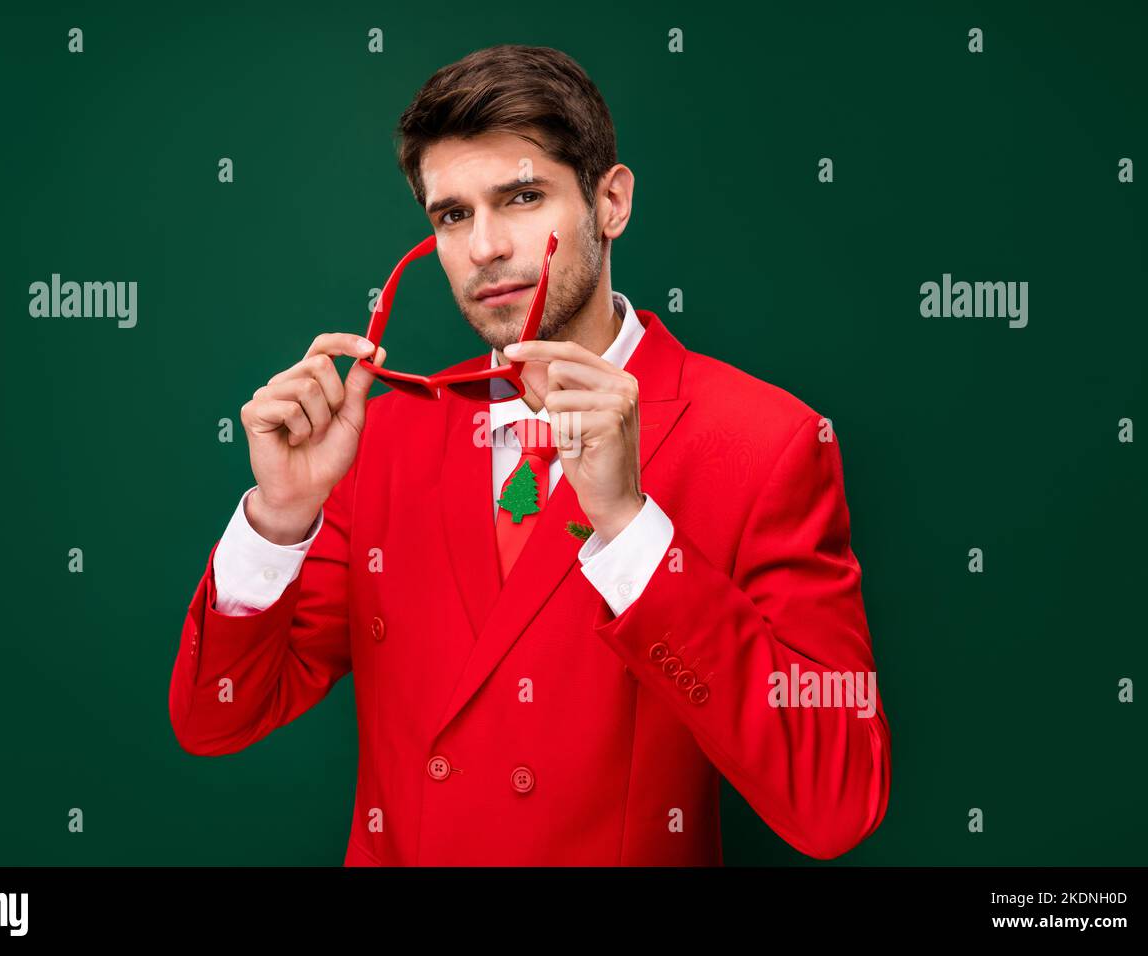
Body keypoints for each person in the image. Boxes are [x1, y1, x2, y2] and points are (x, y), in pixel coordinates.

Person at [168, 43, 890, 866]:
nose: (483, 248)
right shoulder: (381, 439)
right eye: (452, 215)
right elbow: (218, 719)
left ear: (610, 202)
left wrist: (630, 530)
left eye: (521, 197)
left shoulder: (765, 441)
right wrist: (279, 520)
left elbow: (838, 801)